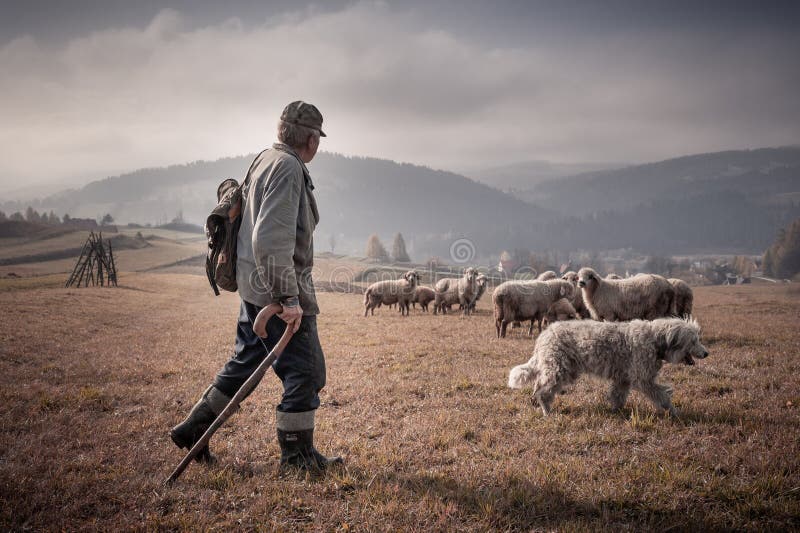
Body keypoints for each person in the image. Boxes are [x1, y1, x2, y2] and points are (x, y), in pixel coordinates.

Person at [170, 101, 342, 472]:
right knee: (306, 372)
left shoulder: (266, 157)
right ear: (311, 140)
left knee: (245, 364)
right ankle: (297, 458)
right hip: (276, 297)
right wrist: (288, 299)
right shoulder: (289, 168)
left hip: (253, 290)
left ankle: (193, 429)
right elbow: (270, 239)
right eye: (318, 138)